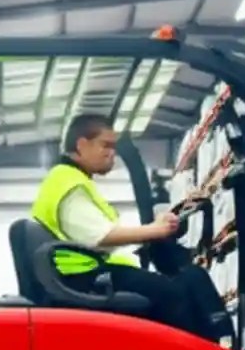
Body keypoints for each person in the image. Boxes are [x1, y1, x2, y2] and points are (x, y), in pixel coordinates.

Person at [31, 113, 203, 337]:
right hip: (80, 278)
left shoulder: (68, 178)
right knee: (172, 294)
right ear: (82, 145)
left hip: (81, 274)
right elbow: (100, 236)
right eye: (105, 145)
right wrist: (156, 230)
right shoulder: (69, 182)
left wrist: (151, 232)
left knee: (160, 288)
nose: (112, 153)